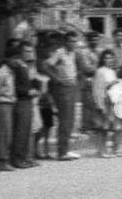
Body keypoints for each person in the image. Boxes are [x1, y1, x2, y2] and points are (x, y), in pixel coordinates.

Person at [42, 31, 80, 161]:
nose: (73, 44)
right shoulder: (60, 52)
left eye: (75, 41)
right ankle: (61, 151)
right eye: (71, 41)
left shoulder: (73, 53)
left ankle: (65, 149)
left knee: (70, 120)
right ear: (65, 41)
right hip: (62, 88)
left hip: (71, 87)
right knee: (65, 120)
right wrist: (56, 79)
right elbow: (46, 65)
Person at [8, 40, 37, 170]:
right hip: (21, 100)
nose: (29, 54)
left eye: (31, 51)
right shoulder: (17, 65)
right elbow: (16, 86)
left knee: (26, 130)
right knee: (20, 131)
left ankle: (24, 157)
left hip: (28, 100)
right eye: (26, 51)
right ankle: (17, 159)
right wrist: (28, 91)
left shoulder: (25, 65)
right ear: (20, 52)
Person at [0, 41, 16, 172]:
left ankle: (4, 158)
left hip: (9, 103)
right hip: (2, 104)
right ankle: (1, 160)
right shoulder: (2, 72)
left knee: (8, 133)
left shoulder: (10, 71)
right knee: (3, 133)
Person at [90, 50, 119, 157]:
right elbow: (97, 88)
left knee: (107, 127)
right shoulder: (100, 71)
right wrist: (100, 104)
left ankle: (103, 149)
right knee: (102, 127)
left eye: (111, 58)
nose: (109, 60)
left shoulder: (112, 71)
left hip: (112, 101)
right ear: (102, 59)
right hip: (104, 100)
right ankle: (101, 150)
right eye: (106, 58)